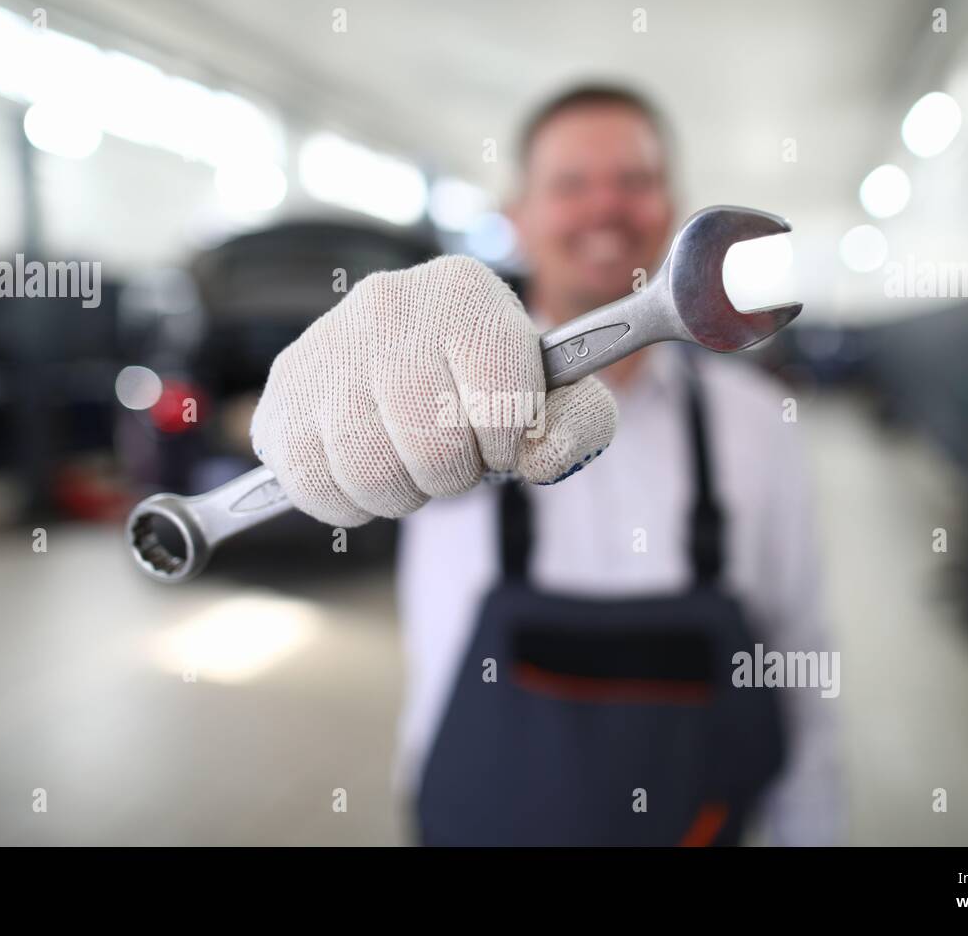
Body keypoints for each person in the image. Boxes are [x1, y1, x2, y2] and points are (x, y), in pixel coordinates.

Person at [251, 84, 842, 846]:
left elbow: (799, 659)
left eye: (635, 181)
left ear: (674, 207)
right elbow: (344, 438)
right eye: (571, 184)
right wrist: (331, 393)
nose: (607, 208)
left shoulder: (762, 425)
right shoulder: (446, 396)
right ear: (517, 216)